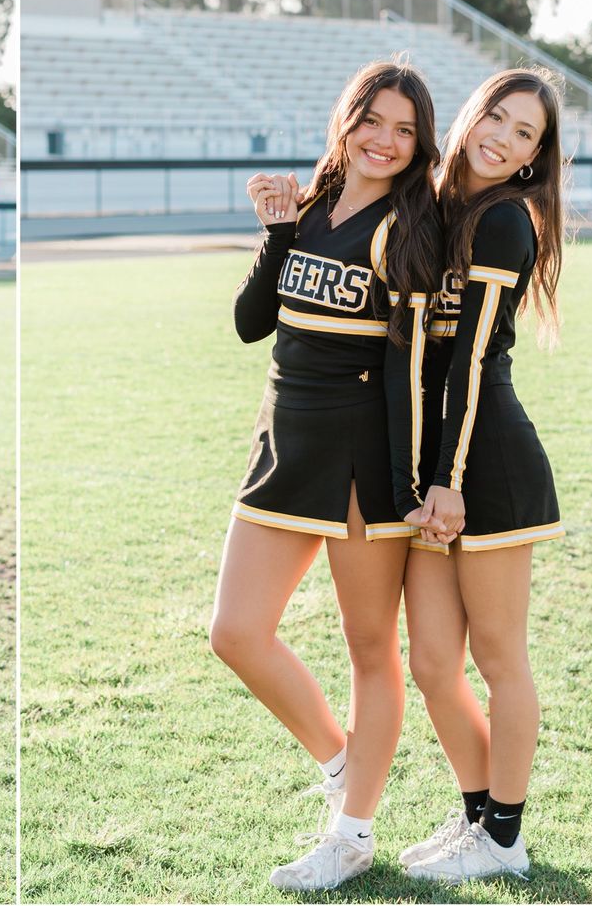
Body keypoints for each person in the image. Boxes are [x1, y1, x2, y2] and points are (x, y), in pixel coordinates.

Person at [210, 60, 444, 891]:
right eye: (371, 120)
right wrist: (274, 230)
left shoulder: (413, 221)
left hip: (360, 455)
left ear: (420, 145)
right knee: (234, 632)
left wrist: (425, 476)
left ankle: (352, 834)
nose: (384, 139)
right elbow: (249, 324)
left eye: (404, 129)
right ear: (346, 121)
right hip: (284, 442)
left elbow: (430, 358)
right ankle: (346, 760)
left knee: (370, 648)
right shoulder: (306, 209)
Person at [384, 68, 567, 883]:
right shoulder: (429, 202)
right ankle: (474, 816)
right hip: (433, 469)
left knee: (499, 658)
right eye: (498, 116)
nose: (504, 136)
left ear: (535, 158)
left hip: (484, 466)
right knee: (429, 660)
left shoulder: (503, 223)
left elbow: (470, 362)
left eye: (525, 134)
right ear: (472, 113)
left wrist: (447, 481)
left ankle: (505, 839)